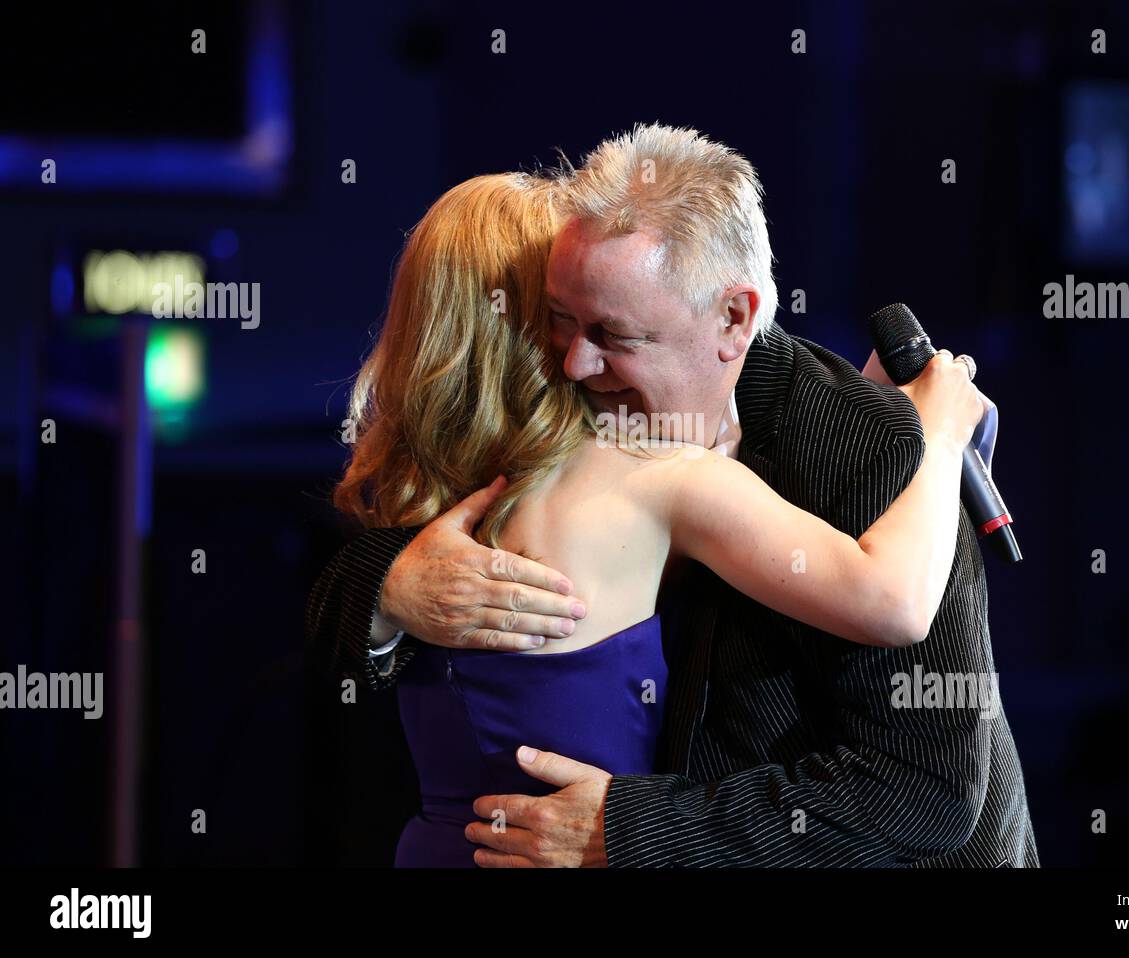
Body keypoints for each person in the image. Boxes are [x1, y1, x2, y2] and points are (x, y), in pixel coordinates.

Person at [308, 123, 1038, 867]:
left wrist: (630, 830)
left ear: (733, 319)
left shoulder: (873, 448)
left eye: (609, 333)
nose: (574, 360)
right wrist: (389, 590)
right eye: (557, 322)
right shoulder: (572, 444)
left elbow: (926, 793)